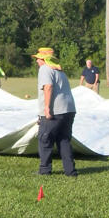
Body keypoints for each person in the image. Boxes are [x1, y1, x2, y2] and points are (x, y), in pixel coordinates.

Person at [32, 47, 78, 176]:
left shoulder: (45, 69)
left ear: (44, 59)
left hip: (55, 110)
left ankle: (45, 170)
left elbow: (48, 87)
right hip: (69, 110)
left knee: (45, 140)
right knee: (64, 140)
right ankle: (70, 171)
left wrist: (46, 108)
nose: (37, 62)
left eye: (39, 59)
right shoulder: (59, 70)